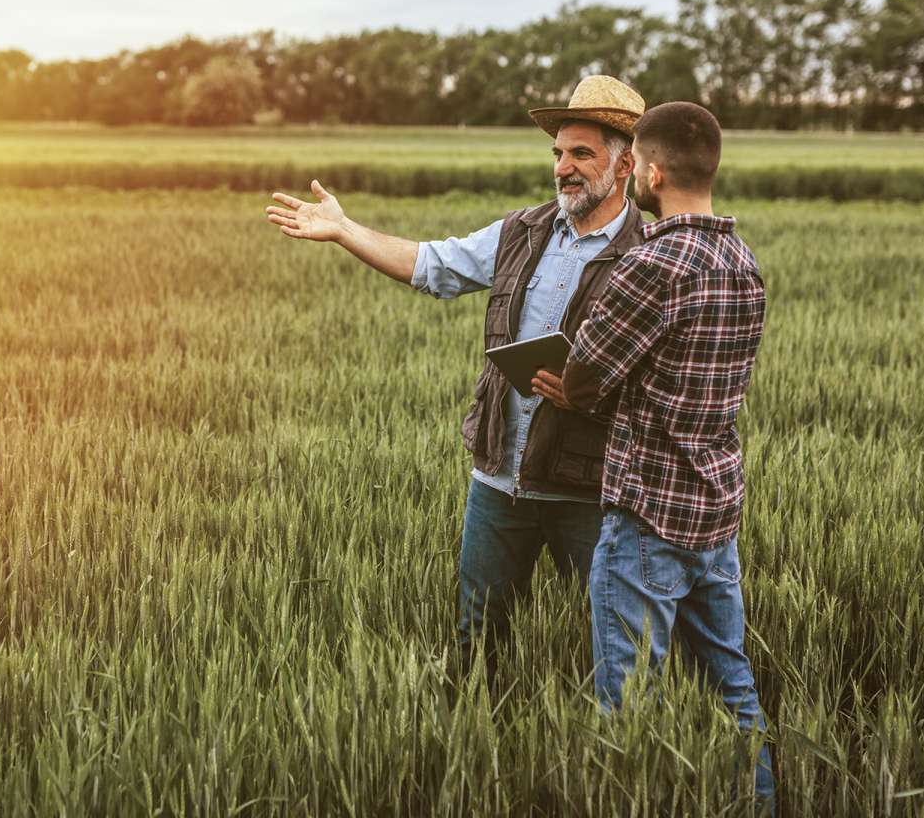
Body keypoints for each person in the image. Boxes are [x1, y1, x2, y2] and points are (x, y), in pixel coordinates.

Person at [265, 75, 645, 675]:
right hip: (499, 478)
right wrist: (345, 230)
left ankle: (601, 752)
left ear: (624, 167)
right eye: (557, 153)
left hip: (590, 489)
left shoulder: (651, 252)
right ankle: (474, 734)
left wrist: (588, 391)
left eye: (581, 154)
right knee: (475, 642)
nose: (563, 168)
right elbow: (432, 264)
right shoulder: (522, 232)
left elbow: (672, 375)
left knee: (612, 647)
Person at [533, 101, 775, 808]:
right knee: (734, 686)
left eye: (634, 162)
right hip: (715, 512)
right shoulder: (743, 261)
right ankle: (760, 802)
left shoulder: (651, 263)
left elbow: (584, 375)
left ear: (654, 170)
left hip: (647, 515)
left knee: (628, 700)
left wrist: (571, 389)